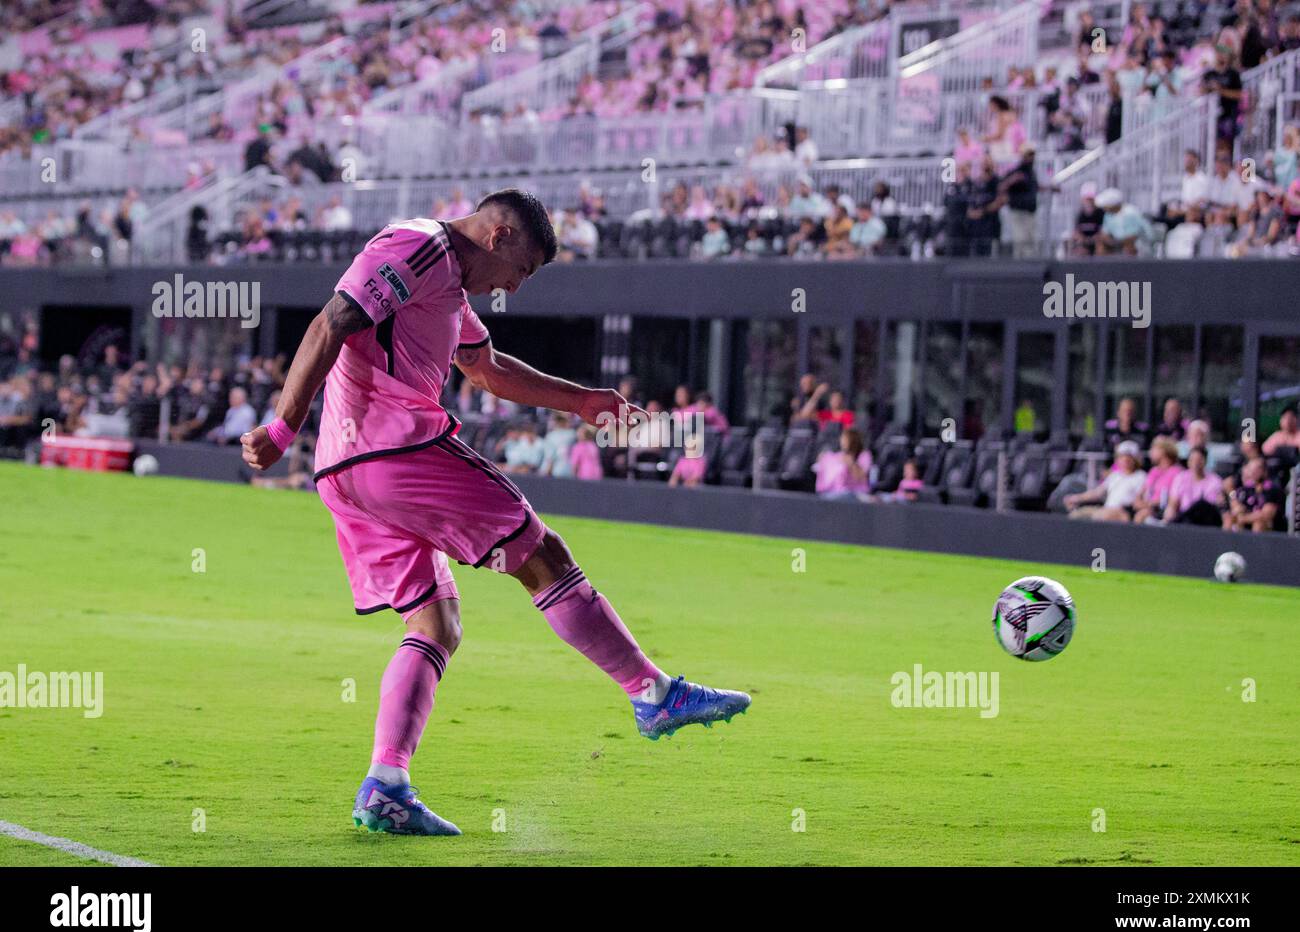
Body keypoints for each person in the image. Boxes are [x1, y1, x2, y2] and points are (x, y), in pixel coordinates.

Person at [239, 189, 750, 837]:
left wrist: (587, 402)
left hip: (347, 472)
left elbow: (486, 371)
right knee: (543, 556)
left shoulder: (447, 284)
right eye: (523, 270)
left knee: (435, 621)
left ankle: (386, 784)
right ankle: (652, 694)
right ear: (500, 235)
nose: (516, 286)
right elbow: (330, 322)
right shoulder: (419, 245)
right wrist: (282, 428)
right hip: (395, 448)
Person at [1064, 440, 1147, 521]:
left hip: (1123, 512)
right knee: (1075, 515)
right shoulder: (1115, 475)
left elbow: (1139, 499)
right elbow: (1097, 493)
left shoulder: (1141, 476)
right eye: (1122, 457)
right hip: (1105, 509)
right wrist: (1076, 498)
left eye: (1129, 458)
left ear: (1135, 460)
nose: (1125, 460)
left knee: (1100, 516)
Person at [1164, 447, 1224, 526]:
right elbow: (1173, 503)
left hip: (1206, 521)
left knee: (1201, 505)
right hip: (1185, 519)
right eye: (1192, 460)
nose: (1195, 463)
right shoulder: (1180, 478)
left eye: (1199, 460)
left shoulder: (1215, 480)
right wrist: (1168, 516)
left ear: (1205, 461)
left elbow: (1214, 506)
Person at [1223, 457, 1283, 532]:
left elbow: (1266, 514)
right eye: (1251, 469)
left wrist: (1244, 518)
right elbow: (1237, 507)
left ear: (1264, 471)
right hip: (1246, 521)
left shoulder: (1272, 489)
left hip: (1268, 526)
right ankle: (1226, 543)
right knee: (1229, 518)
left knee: (1258, 523)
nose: (1253, 472)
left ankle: (1256, 543)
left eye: (1257, 469)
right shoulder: (1246, 488)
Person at [1132, 436, 1183, 523]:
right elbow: (1142, 492)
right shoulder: (1153, 471)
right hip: (1146, 508)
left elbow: (1172, 498)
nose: (1150, 452)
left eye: (1153, 448)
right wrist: (1138, 502)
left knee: (1142, 515)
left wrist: (1148, 505)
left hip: (1164, 512)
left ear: (1163, 451)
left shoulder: (1177, 472)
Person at [812, 427, 871, 500]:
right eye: (842, 439)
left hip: (856, 493)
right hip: (836, 493)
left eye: (845, 439)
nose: (842, 442)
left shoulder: (864, 455)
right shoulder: (838, 455)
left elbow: (862, 478)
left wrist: (851, 464)